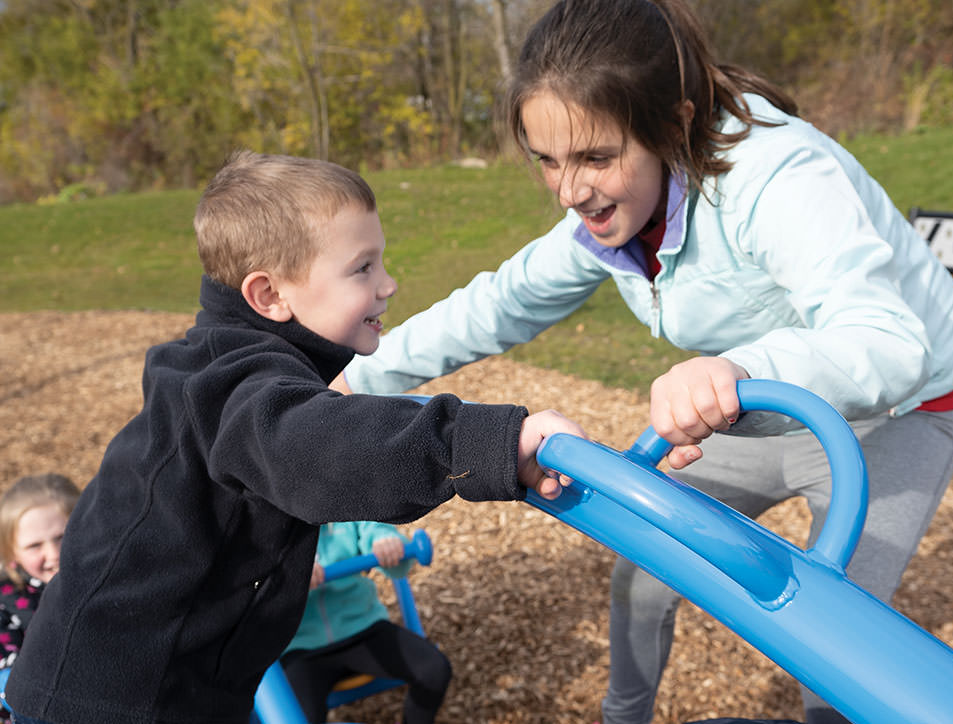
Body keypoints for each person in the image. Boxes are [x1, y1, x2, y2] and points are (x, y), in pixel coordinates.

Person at [334, 0, 953, 724]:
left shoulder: (776, 175)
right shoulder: (612, 212)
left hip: (898, 410)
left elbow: (889, 342)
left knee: (835, 650)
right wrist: (355, 378)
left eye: (594, 157)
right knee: (644, 572)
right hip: (761, 403)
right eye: (546, 160)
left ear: (673, 125)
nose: (570, 190)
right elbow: (503, 302)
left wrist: (740, 369)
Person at [3, 150, 594, 724]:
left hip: (157, 687)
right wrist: (490, 442)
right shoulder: (236, 383)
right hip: (123, 700)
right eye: (363, 267)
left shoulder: (230, 365)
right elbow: (328, 452)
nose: (388, 284)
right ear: (270, 295)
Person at [280, 522, 451, 724]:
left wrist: (387, 543)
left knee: (433, 670)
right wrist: (287, 580)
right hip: (300, 647)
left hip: (362, 627)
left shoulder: (343, 508)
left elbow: (374, 528)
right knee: (295, 717)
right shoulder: (270, 525)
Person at [0, 474, 81, 719]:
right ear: (11, 551)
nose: (54, 554)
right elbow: (7, 678)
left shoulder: (106, 580)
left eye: (62, 536)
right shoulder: (8, 600)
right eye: (35, 546)